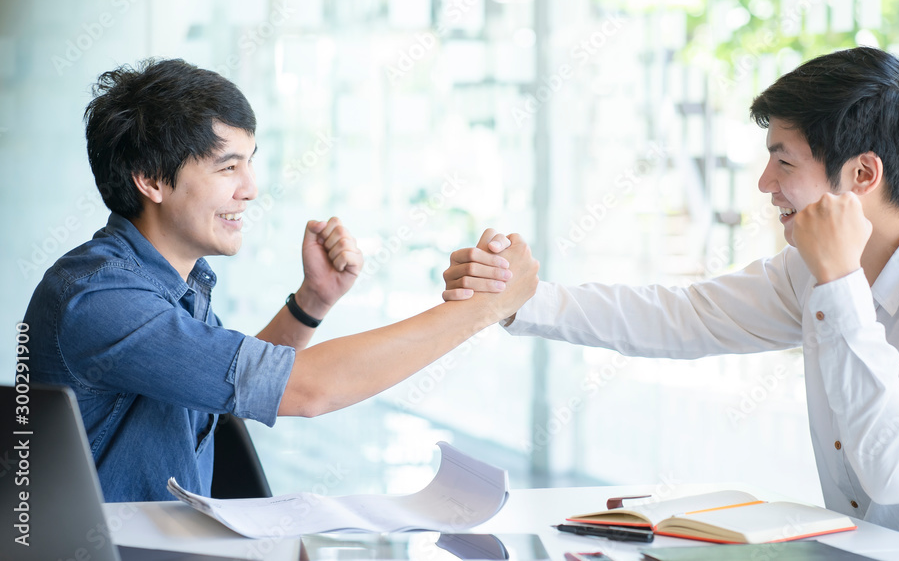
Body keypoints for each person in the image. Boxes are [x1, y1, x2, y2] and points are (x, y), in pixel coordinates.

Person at [442, 47, 899, 559]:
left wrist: (838, 278)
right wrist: (523, 300)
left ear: (861, 175)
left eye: (784, 163)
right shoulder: (810, 271)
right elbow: (686, 316)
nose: (764, 183)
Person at [24, 58, 538, 502]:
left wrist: (312, 301)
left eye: (250, 163)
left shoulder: (170, 281)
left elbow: (223, 385)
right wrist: (483, 308)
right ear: (152, 180)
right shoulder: (99, 297)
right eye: (228, 167)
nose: (250, 189)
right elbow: (308, 391)